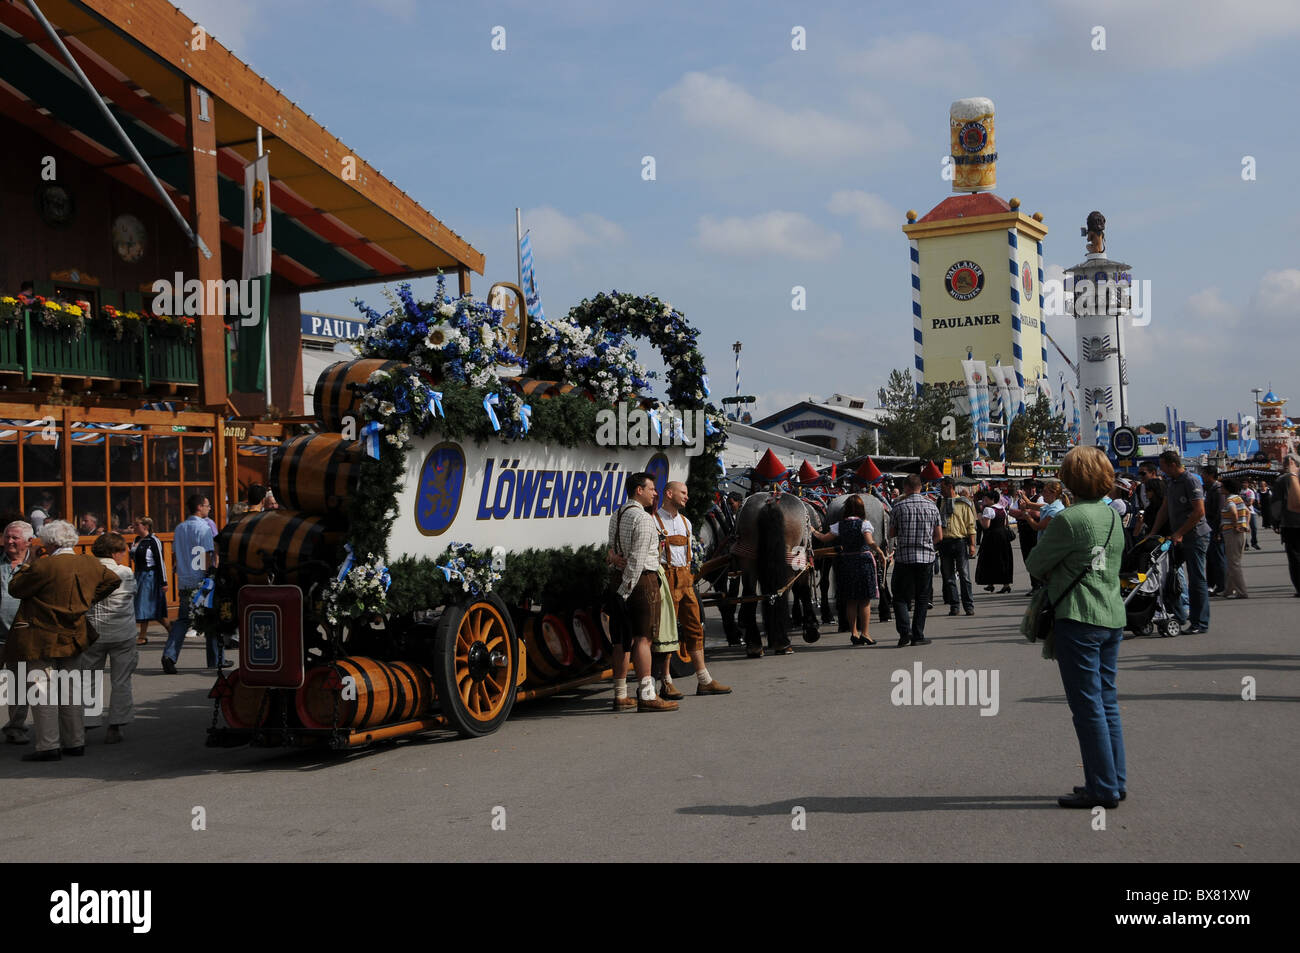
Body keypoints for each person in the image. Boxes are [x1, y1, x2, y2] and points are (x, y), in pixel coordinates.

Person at [1025, 446, 1127, 809]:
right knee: (1107, 700)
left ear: (1071, 479)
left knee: (1087, 707)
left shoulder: (1070, 519)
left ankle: (1102, 786)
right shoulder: (1112, 515)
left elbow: (1036, 563)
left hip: (1079, 616)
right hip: (1112, 614)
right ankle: (1114, 778)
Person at [2, 520, 121, 761]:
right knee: (71, 690)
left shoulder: (45, 566)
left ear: (52, 542)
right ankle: (74, 742)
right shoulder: (88, 561)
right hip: (74, 633)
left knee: (42, 691)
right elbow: (112, 580)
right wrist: (86, 600)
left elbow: (16, 588)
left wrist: (31, 563)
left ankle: (48, 745)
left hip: (42, 635)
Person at [606, 473, 676, 712]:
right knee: (643, 639)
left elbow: (612, 551)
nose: (655, 493)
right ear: (639, 490)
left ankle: (620, 694)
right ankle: (647, 694)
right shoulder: (644, 519)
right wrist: (625, 590)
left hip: (617, 580)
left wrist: (617, 575)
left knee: (621, 640)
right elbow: (636, 559)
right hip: (640, 582)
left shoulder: (617, 514)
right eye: (652, 489)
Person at [653, 481, 731, 697]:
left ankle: (704, 679)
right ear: (669, 494)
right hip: (667, 580)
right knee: (667, 634)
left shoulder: (686, 522)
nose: (687, 497)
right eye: (683, 493)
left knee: (695, 629)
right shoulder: (655, 521)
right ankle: (666, 681)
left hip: (687, 580)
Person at [82, 533, 138, 743]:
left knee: (89, 678)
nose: (125, 555)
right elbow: (133, 593)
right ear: (114, 552)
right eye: (123, 551)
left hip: (93, 632)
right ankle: (116, 726)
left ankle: (87, 723)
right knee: (121, 680)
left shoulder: (87, 570)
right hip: (123, 632)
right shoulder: (125, 572)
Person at [1148, 450, 1211, 634]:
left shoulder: (1190, 481)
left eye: (1163, 465)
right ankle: (1182, 614)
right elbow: (1164, 509)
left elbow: (1199, 511)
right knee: (1172, 576)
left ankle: (1200, 622)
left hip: (1196, 535)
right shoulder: (1171, 482)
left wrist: (1180, 533)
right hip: (1179, 535)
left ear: (1172, 464)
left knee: (1196, 578)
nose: (1161, 469)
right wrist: (1153, 532)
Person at [813, 494, 883, 644]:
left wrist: (812, 530)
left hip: (846, 562)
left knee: (850, 601)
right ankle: (865, 633)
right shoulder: (864, 524)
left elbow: (824, 538)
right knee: (864, 601)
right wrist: (880, 551)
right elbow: (870, 541)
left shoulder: (839, 525)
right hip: (863, 561)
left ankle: (854, 632)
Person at [162, 495, 220, 673]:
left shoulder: (179, 528)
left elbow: (175, 553)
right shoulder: (203, 528)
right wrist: (209, 572)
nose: (209, 508)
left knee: (183, 620)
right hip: (200, 579)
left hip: (184, 579)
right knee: (211, 618)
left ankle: (169, 655)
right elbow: (206, 553)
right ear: (199, 507)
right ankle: (215, 660)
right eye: (207, 505)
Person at [888, 474, 943, 648]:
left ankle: (905, 632)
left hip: (904, 557)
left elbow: (891, 533)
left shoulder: (898, 506)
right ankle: (918, 635)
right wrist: (926, 544)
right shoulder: (932, 506)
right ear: (920, 487)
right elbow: (939, 536)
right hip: (926, 558)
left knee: (899, 597)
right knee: (922, 597)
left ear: (906, 487)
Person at [1, 521, 35, 744]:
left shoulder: (38, 564)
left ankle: (16, 726)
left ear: (29, 541)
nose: (10, 541)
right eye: (7, 537)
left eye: (15, 537)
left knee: (18, 683)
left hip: (22, 635)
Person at [1011, 481, 1066, 591]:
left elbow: (1037, 526)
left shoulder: (1055, 510)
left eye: (1045, 492)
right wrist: (1022, 495)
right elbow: (1030, 505)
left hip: (1051, 548)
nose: (1042, 494)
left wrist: (1025, 514)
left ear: (1053, 493)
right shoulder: (1051, 505)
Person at [936, 477, 977, 616]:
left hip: (960, 542)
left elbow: (971, 525)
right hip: (944, 543)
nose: (940, 490)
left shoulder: (964, 503)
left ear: (950, 487)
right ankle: (954, 606)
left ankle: (969, 606)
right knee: (948, 577)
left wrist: (972, 545)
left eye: (942, 487)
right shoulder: (939, 502)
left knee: (964, 576)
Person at [130, 517, 167, 646]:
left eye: (137, 525)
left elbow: (160, 562)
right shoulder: (136, 540)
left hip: (150, 576)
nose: (134, 527)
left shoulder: (153, 540)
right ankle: (171, 629)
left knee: (143, 605)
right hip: (139, 575)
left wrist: (164, 581)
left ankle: (142, 636)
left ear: (145, 527)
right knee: (150, 607)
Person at [975, 492, 1014, 594]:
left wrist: (979, 517)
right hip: (1003, 537)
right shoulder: (1002, 508)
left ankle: (990, 583)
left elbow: (986, 526)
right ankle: (1005, 584)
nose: (984, 501)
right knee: (1003, 559)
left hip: (992, 537)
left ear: (992, 499)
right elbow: (1006, 523)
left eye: (986, 499)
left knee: (990, 560)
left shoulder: (988, 509)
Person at [1218, 477, 1250, 599]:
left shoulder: (1229, 500)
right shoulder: (1238, 498)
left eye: (1222, 486)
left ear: (1227, 488)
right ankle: (1229, 590)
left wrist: (1236, 525)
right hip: (1240, 533)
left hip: (1232, 532)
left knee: (1233, 563)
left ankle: (1242, 591)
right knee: (1233, 562)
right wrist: (1245, 525)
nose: (1221, 488)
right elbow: (1247, 512)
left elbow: (1233, 512)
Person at [1275, 454, 1300, 597]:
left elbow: (1277, 503)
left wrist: (1276, 521)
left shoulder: (1282, 480)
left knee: (1295, 557)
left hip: (1290, 523)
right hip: (1290, 522)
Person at [1201, 467, 1225, 596]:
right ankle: (1212, 584)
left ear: (1211, 475)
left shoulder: (1217, 490)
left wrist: (1218, 531)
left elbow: (1219, 513)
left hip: (1215, 529)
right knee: (1210, 558)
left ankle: (1222, 585)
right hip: (1209, 528)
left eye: (1204, 474)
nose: (1202, 476)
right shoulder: (1209, 489)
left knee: (1218, 558)